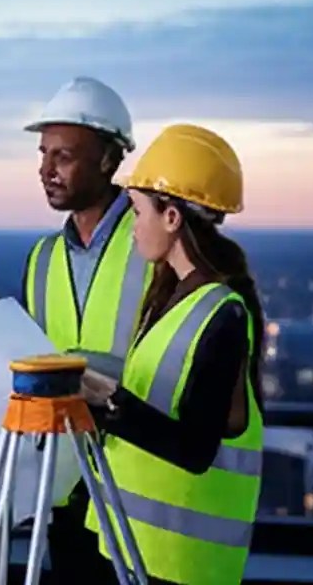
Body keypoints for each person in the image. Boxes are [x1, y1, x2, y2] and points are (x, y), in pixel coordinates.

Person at [79, 123, 267, 585]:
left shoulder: (222, 316)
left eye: (138, 212)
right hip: (133, 547)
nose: (132, 229)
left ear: (172, 218)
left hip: (182, 564)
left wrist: (109, 401)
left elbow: (195, 448)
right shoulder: (171, 296)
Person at [18, 76, 154, 582]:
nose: (45, 170)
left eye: (64, 156)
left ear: (107, 159)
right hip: (65, 484)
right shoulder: (41, 260)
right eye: (43, 153)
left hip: (136, 486)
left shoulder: (153, 246)